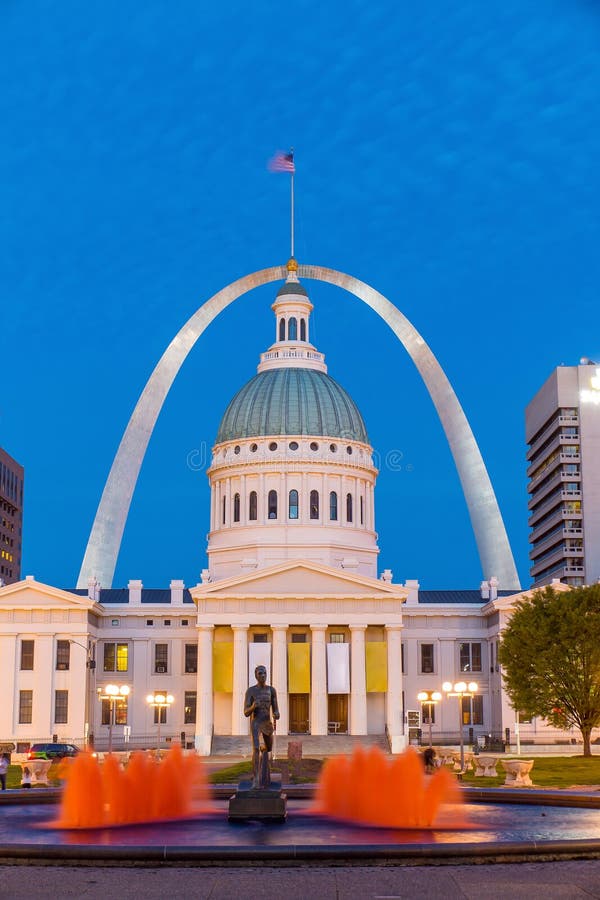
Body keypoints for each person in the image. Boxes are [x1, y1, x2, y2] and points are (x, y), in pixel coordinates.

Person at [244, 665, 280, 789]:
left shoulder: (271, 690)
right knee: (255, 749)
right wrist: (253, 706)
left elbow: (276, 710)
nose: (263, 675)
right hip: (256, 722)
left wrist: (276, 714)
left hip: (266, 722)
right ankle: (255, 780)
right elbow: (246, 712)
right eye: (260, 673)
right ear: (256, 676)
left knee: (268, 748)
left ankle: (263, 751)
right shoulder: (251, 691)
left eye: (264, 673)